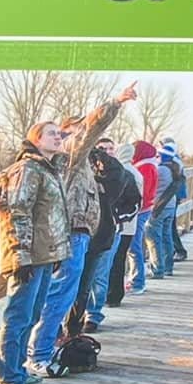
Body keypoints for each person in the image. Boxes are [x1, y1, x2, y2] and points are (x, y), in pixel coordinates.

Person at [30, 83, 136, 368]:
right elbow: (92, 126)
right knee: (58, 295)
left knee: (61, 294)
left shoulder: (84, 161)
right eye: (63, 132)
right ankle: (40, 353)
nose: (79, 133)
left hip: (80, 234)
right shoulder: (72, 155)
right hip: (72, 233)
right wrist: (116, 101)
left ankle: (44, 347)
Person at [0, 120, 71, 384]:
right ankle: (8, 383)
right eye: (51, 134)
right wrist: (21, 256)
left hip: (44, 254)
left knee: (32, 316)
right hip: (28, 257)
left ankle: (19, 372)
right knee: (17, 318)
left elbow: (51, 216)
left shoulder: (48, 169)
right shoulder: (27, 169)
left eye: (59, 134)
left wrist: (56, 252)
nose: (58, 137)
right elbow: (17, 213)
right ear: (36, 140)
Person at [77, 136, 139, 331]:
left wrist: (117, 218)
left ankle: (93, 315)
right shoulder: (85, 175)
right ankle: (75, 315)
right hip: (85, 232)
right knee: (79, 275)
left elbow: (135, 202)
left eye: (111, 149)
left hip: (110, 232)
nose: (107, 152)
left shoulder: (125, 175)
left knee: (100, 275)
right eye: (103, 149)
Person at [148, 139, 186, 279]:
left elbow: (151, 184)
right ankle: (168, 267)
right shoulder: (175, 168)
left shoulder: (161, 169)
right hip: (170, 205)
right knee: (167, 236)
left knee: (154, 238)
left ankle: (157, 269)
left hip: (159, 206)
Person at [127, 139, 160, 293]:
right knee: (134, 245)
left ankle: (137, 281)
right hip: (145, 208)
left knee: (134, 245)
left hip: (140, 210)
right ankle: (135, 277)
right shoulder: (150, 165)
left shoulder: (145, 167)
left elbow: (143, 192)